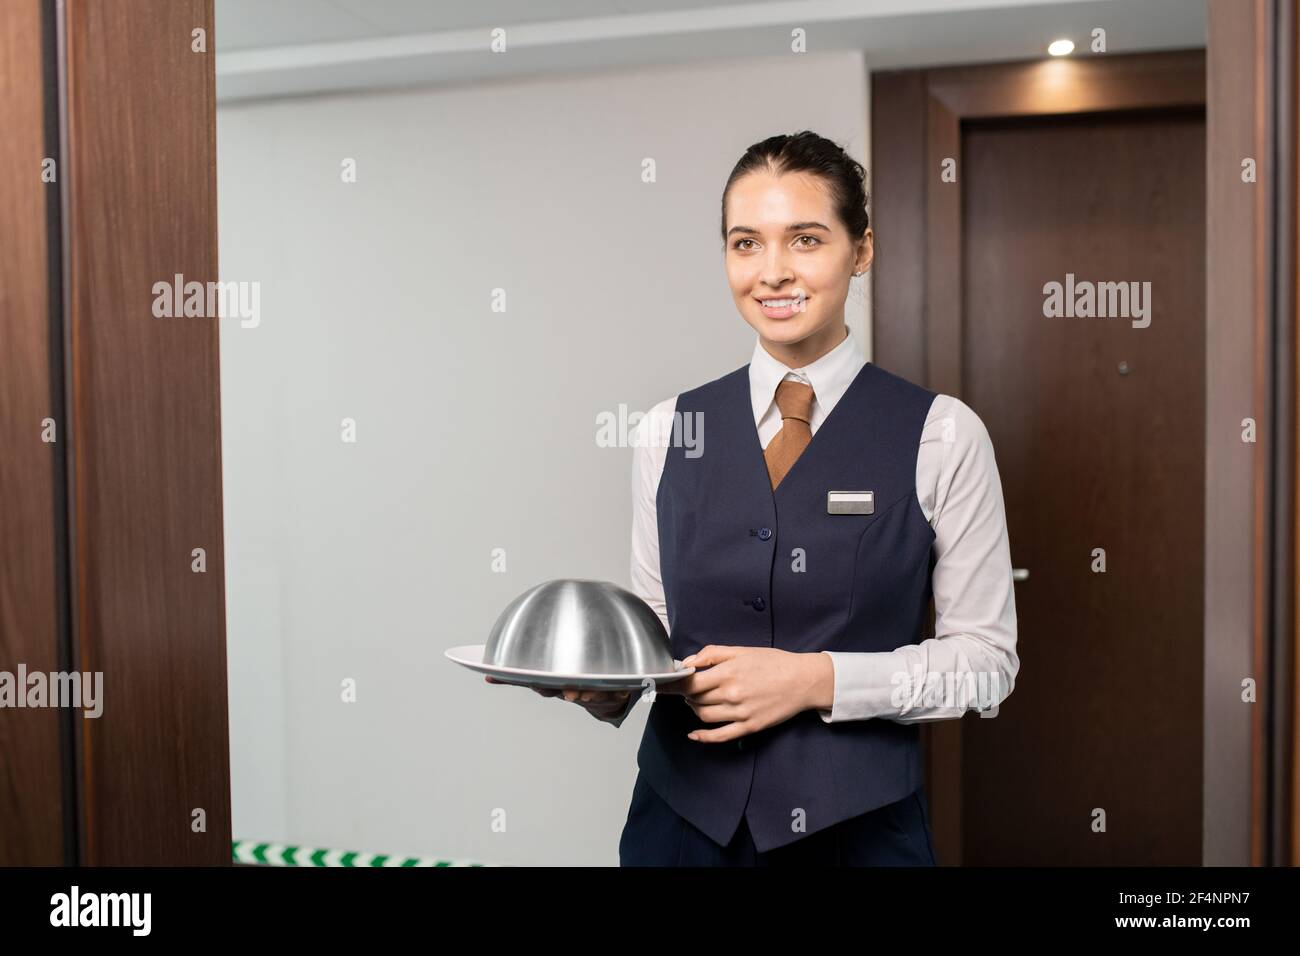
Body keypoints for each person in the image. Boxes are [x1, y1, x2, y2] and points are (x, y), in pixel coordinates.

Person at [491, 130, 1018, 866]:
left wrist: (814, 680)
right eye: (746, 244)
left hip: (859, 837)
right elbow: (661, 638)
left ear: (861, 250)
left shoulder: (943, 434)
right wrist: (605, 688)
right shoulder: (669, 429)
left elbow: (987, 664)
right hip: (679, 830)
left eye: (806, 239)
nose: (773, 272)